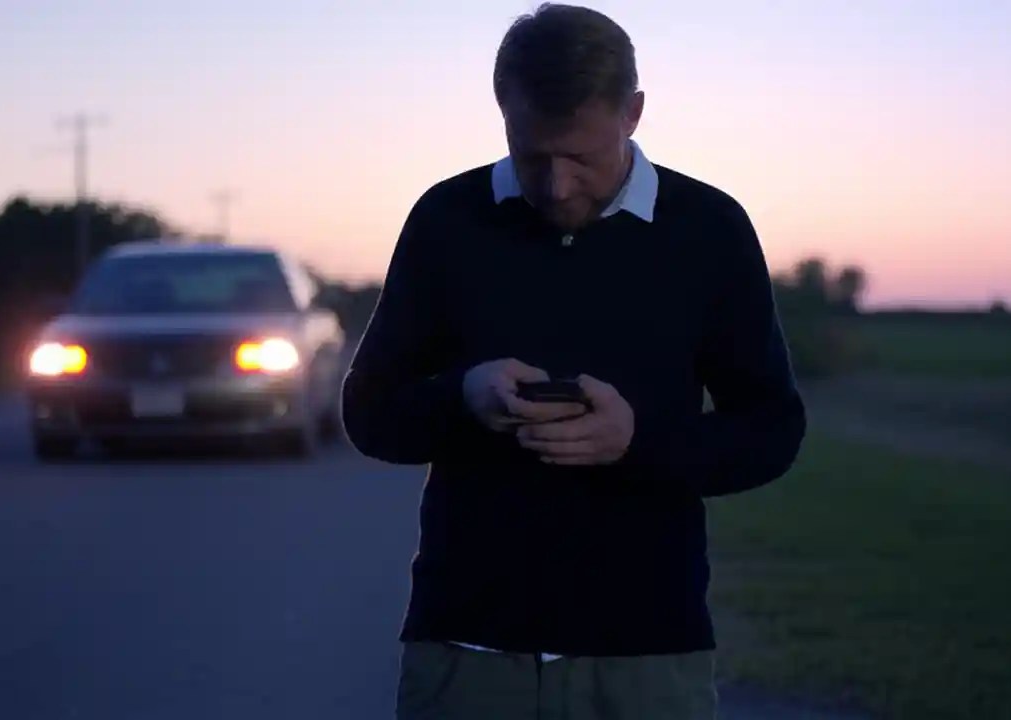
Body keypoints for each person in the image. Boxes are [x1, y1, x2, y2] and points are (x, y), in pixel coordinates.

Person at [341, 3, 807, 718]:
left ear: (635, 113)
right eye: (533, 155)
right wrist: (464, 395)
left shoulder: (709, 230)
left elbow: (772, 430)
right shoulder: (446, 219)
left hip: (648, 655)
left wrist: (636, 442)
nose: (557, 187)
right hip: (466, 652)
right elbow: (368, 415)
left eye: (581, 158)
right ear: (502, 113)